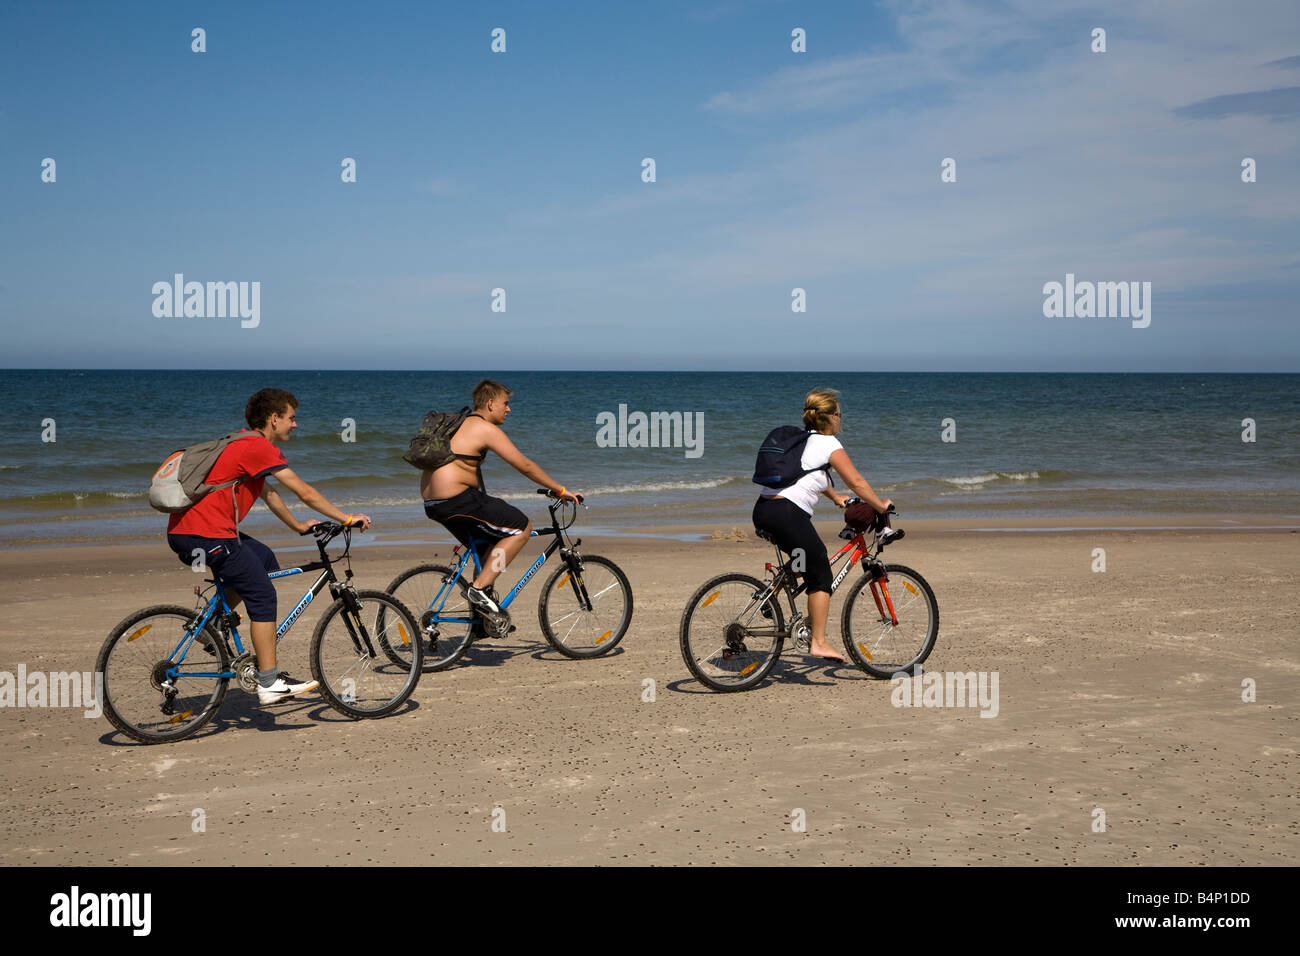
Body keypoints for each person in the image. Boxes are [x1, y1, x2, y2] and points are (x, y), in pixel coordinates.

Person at [166, 388, 372, 704]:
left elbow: (269, 493)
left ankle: (210, 625)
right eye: (292, 418)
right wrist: (346, 518)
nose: (295, 424)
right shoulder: (258, 448)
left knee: (262, 558)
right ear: (274, 418)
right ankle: (269, 682)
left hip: (196, 532)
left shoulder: (243, 443)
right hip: (206, 535)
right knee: (262, 594)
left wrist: (298, 526)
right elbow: (305, 492)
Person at [752, 388, 892, 662]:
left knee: (802, 557)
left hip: (765, 509)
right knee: (821, 575)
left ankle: (769, 597)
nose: (841, 420)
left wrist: (835, 497)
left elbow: (808, 472)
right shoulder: (829, 444)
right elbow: (857, 482)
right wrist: (879, 505)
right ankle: (819, 642)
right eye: (839, 415)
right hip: (787, 513)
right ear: (828, 418)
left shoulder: (803, 441)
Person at [421, 380, 579, 620]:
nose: (509, 409)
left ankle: (479, 622)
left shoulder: (459, 424)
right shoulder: (485, 429)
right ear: (490, 403)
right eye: (505, 403)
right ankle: (478, 590)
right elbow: (524, 465)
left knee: (487, 550)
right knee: (521, 528)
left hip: (433, 503)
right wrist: (560, 489)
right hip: (456, 500)